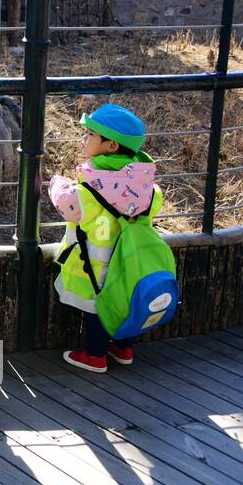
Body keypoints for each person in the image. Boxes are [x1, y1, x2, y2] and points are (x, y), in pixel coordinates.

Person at [49, 104, 163, 373]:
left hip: (95, 266)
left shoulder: (93, 188)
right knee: (123, 302)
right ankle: (122, 348)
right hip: (130, 263)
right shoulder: (147, 188)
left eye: (90, 135)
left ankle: (95, 356)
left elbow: (70, 205)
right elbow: (154, 204)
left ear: (110, 146)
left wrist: (57, 184)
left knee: (96, 308)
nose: (83, 139)